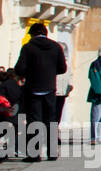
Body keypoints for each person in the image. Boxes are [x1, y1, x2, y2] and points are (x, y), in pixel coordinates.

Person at [14, 23, 68, 161]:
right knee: (51, 120)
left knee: (34, 121)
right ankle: (53, 152)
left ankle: (34, 153)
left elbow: (19, 68)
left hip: (33, 89)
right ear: (46, 33)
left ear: (32, 34)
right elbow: (62, 68)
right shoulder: (56, 47)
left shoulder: (28, 48)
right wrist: (49, 71)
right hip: (49, 88)